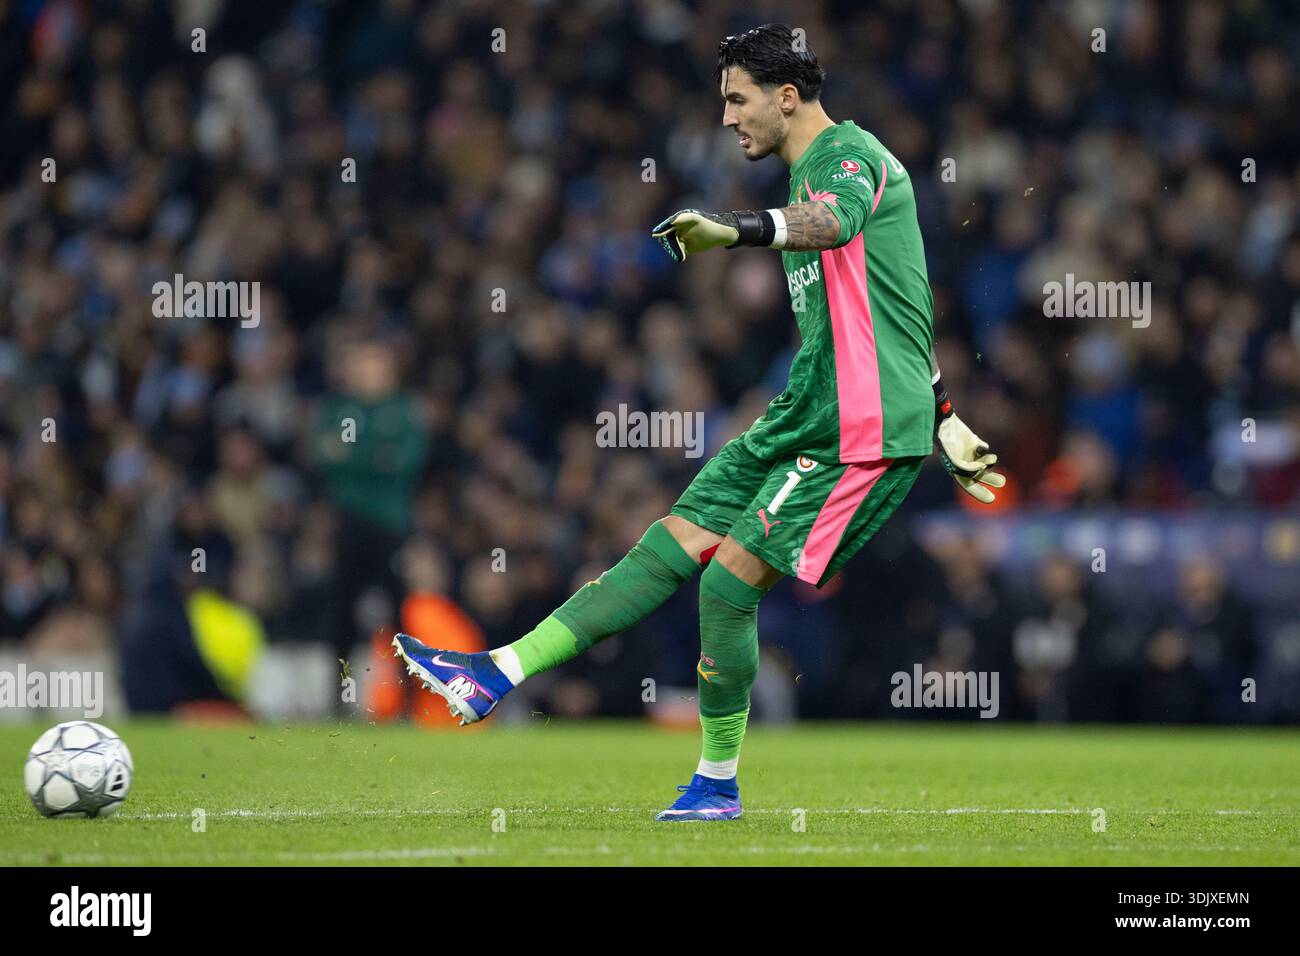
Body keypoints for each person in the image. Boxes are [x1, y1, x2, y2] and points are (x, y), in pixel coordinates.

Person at [393, 23, 1003, 821]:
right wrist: (950, 412)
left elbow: (838, 222)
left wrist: (735, 229)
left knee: (726, 584)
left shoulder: (843, 160)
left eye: (736, 100)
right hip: (808, 409)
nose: (726, 118)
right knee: (668, 545)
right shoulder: (813, 169)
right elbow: (902, 303)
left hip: (864, 431)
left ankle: (717, 783)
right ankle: (495, 673)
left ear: (787, 97)